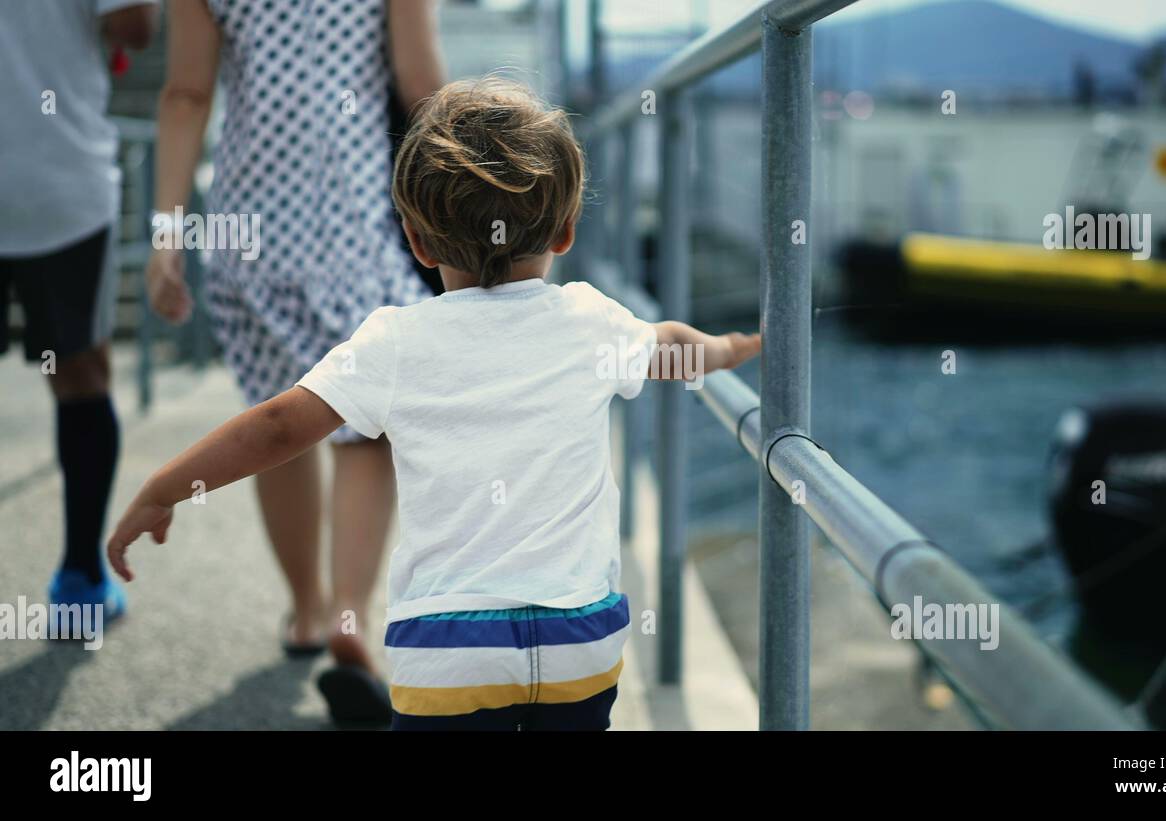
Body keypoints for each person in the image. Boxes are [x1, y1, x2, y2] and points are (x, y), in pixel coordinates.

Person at [107, 77, 761, 730]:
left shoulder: (395, 340)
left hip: (449, 650)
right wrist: (734, 346)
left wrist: (166, 485)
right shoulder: (591, 320)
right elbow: (672, 347)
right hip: (579, 637)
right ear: (564, 232)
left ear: (416, 243)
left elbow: (280, 426)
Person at [144, 0, 446, 723]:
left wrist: (165, 236)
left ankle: (307, 612)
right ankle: (348, 617)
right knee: (366, 422)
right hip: (346, 225)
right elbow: (421, 87)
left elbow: (187, 93)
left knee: (283, 420)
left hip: (246, 236)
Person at [0, 0, 159, 633]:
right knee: (81, 377)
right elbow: (136, 26)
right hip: (56, 178)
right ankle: (80, 581)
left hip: (51, 174)